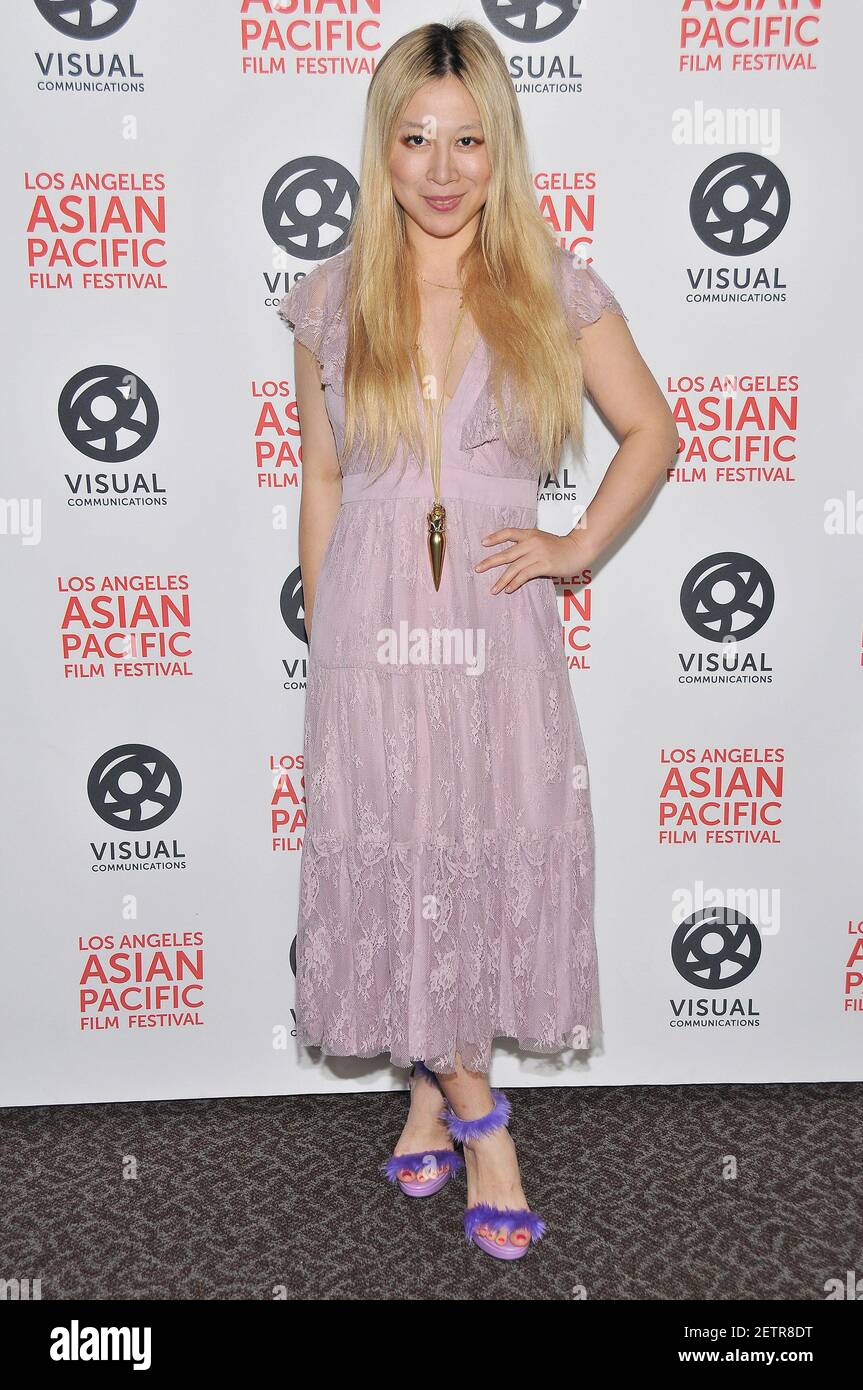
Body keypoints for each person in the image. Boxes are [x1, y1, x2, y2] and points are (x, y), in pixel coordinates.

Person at [277, 19, 678, 1261]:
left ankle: (423, 1092)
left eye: (466, 141)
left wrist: (568, 547)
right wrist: (330, 630)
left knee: (473, 848)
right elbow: (322, 476)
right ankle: (478, 1116)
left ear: (498, 148)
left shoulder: (552, 287)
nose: (440, 169)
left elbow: (650, 431)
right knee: (397, 848)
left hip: (496, 626)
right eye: (414, 140)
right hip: (373, 630)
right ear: (380, 148)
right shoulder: (333, 299)